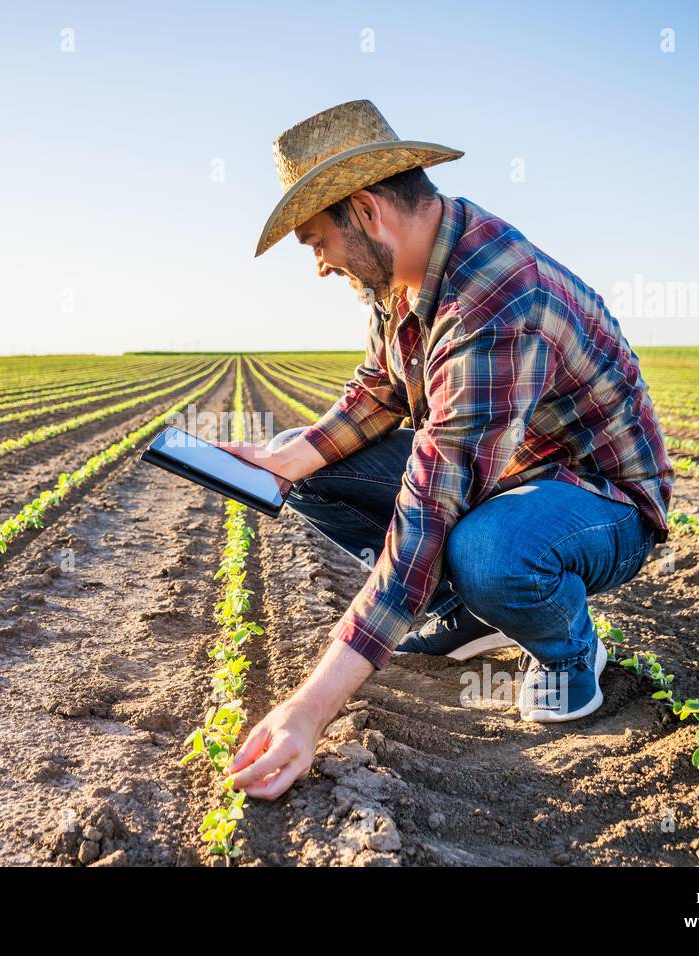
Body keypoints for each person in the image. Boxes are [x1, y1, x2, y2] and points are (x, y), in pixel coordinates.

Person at [215, 100, 673, 800]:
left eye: (314, 242)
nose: (318, 266)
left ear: (366, 212)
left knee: (489, 552)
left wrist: (308, 711)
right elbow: (379, 389)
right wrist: (290, 460)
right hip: (507, 471)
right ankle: (468, 617)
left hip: (597, 501)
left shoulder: (491, 300)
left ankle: (570, 651)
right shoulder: (401, 273)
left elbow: (428, 512)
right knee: (299, 461)